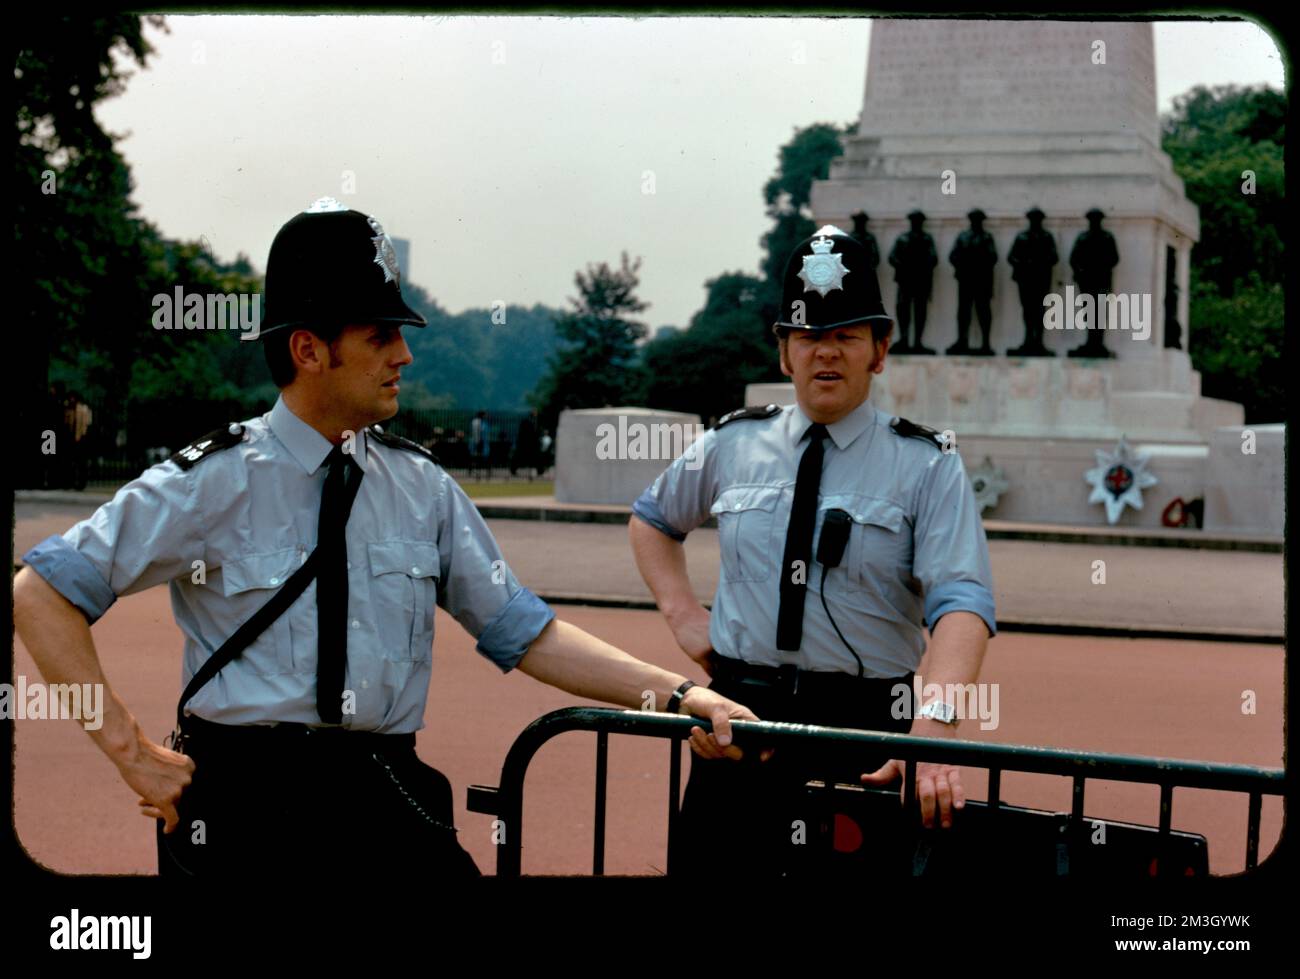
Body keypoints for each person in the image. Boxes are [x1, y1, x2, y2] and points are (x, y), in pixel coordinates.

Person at [13, 197, 755, 881]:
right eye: (380, 335)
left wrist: (679, 692)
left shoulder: (420, 487)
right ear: (309, 349)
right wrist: (130, 753)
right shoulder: (212, 482)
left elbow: (528, 632)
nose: (404, 355)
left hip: (388, 793)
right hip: (246, 810)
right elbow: (41, 594)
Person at [629, 224, 997, 875]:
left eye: (845, 336)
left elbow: (962, 601)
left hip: (866, 733)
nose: (825, 353)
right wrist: (685, 616)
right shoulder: (732, 443)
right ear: (784, 352)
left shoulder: (926, 464)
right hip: (739, 722)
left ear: (880, 350)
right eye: (808, 336)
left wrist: (937, 724)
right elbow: (653, 518)